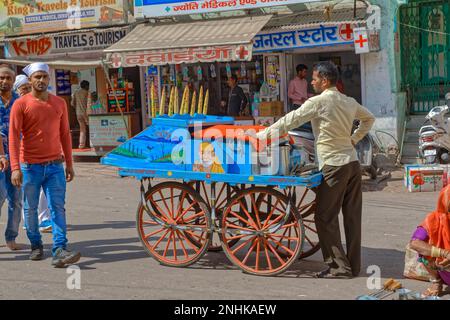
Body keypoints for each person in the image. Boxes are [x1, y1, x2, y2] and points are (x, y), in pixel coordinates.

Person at [252, 61, 375, 278]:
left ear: (325, 80)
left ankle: (339, 268)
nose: (312, 81)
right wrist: (353, 139)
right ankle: (353, 266)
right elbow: (369, 118)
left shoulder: (318, 102)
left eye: (315, 78)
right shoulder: (348, 101)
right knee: (352, 216)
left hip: (334, 165)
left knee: (324, 217)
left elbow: (291, 120)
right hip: (352, 163)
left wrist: (262, 135)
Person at [9, 62, 80, 267]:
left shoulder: (59, 103)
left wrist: (69, 163)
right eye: (37, 77)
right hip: (30, 166)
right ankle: (36, 245)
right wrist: (15, 167)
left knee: (57, 207)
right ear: (30, 80)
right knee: (30, 209)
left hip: (55, 165)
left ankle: (60, 248)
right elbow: (13, 138)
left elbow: (65, 134)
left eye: (44, 77)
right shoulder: (21, 104)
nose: (41, 80)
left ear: (49, 79)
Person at [14, 74, 52, 233]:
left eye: (27, 88)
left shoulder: (37, 103)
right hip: (20, 155)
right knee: (24, 191)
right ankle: (27, 221)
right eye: (23, 89)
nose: (26, 91)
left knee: (42, 189)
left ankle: (43, 219)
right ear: (17, 90)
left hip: (40, 154)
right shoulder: (16, 106)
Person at [409, 185, 450, 297]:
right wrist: (444, 253)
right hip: (444, 270)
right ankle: (436, 281)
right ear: (445, 205)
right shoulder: (434, 220)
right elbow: (414, 243)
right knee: (424, 251)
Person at [0, 66, 23, 251]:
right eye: (1, 77)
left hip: (16, 157)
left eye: (8, 78)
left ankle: (11, 238)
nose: (5, 81)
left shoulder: (20, 101)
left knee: (16, 199)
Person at [71, 80, 90, 149]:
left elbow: (72, 104)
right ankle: (91, 144)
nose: (88, 87)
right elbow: (90, 103)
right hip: (86, 113)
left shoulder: (76, 92)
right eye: (88, 86)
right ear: (86, 86)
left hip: (78, 113)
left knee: (82, 129)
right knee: (91, 128)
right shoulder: (87, 93)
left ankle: (81, 145)